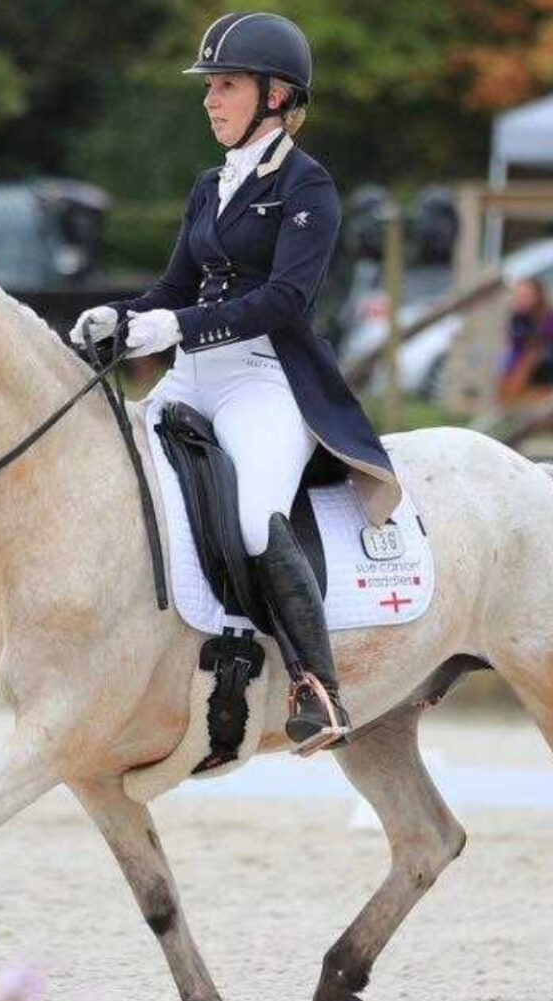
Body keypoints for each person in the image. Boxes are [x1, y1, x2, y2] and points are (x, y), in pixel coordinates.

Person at [67, 12, 400, 756]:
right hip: (191, 377)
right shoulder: (208, 186)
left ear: (276, 95)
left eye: (225, 86)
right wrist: (118, 319)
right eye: (210, 87)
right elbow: (173, 286)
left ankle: (318, 685)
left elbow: (286, 299)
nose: (210, 100)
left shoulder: (308, 185)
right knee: (116, 477)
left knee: (255, 519)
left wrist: (178, 327)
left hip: (264, 381)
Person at [499, 278, 553, 400]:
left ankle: (511, 395)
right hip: (520, 366)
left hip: (545, 367)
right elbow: (516, 348)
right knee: (510, 369)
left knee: (532, 354)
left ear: (538, 296)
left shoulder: (551, 317)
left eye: (525, 296)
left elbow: (545, 345)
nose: (520, 300)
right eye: (518, 296)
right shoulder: (517, 318)